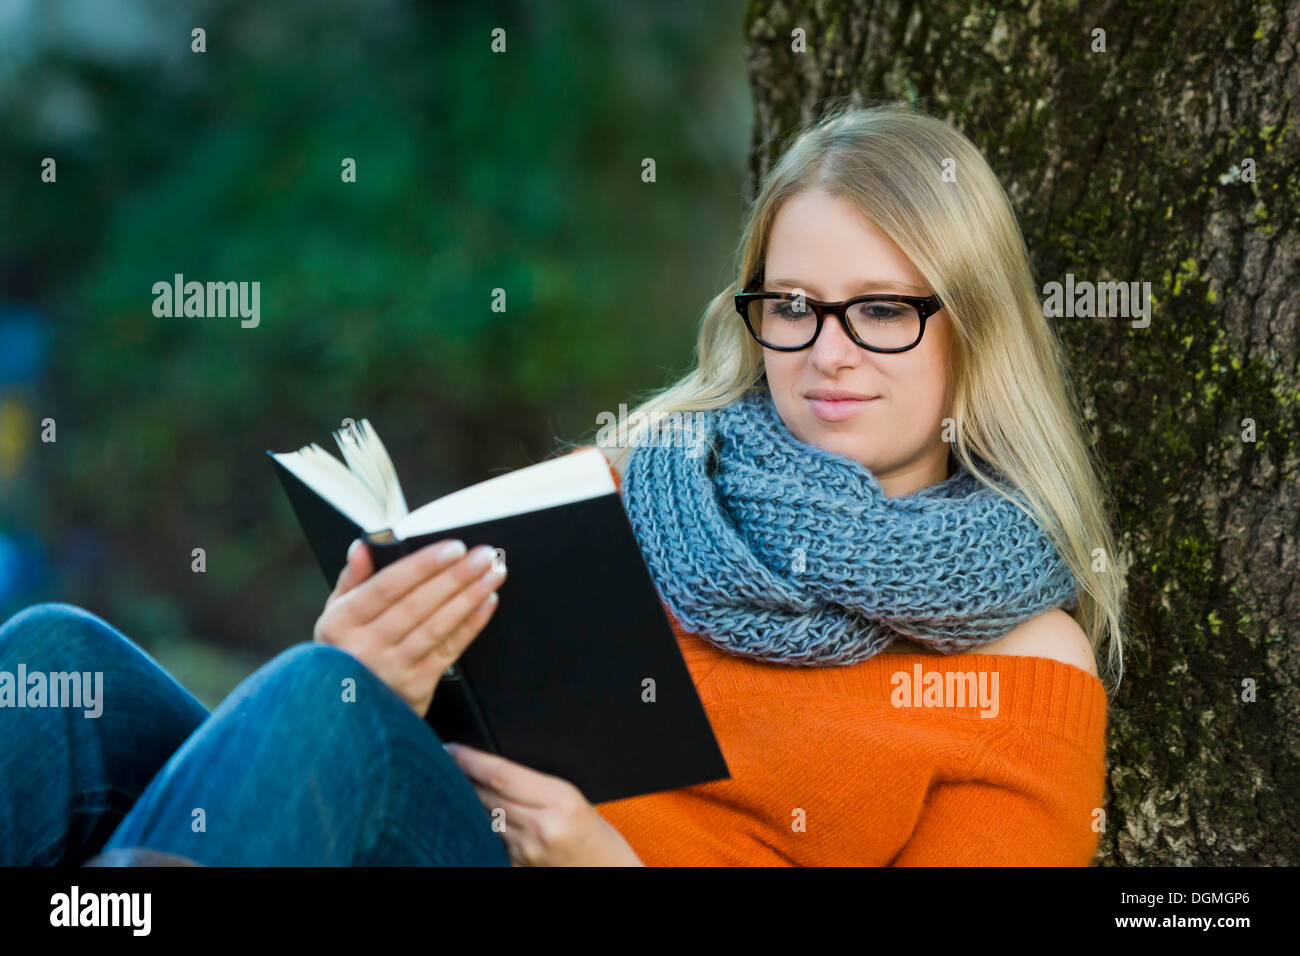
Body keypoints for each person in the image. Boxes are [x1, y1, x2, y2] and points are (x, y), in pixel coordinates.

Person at [0, 101, 1125, 867]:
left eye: (881, 308)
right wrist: (372, 651)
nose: (827, 349)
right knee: (59, 660)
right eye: (791, 305)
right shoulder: (650, 468)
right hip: (434, 822)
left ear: (972, 332)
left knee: (306, 706)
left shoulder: (1023, 663)